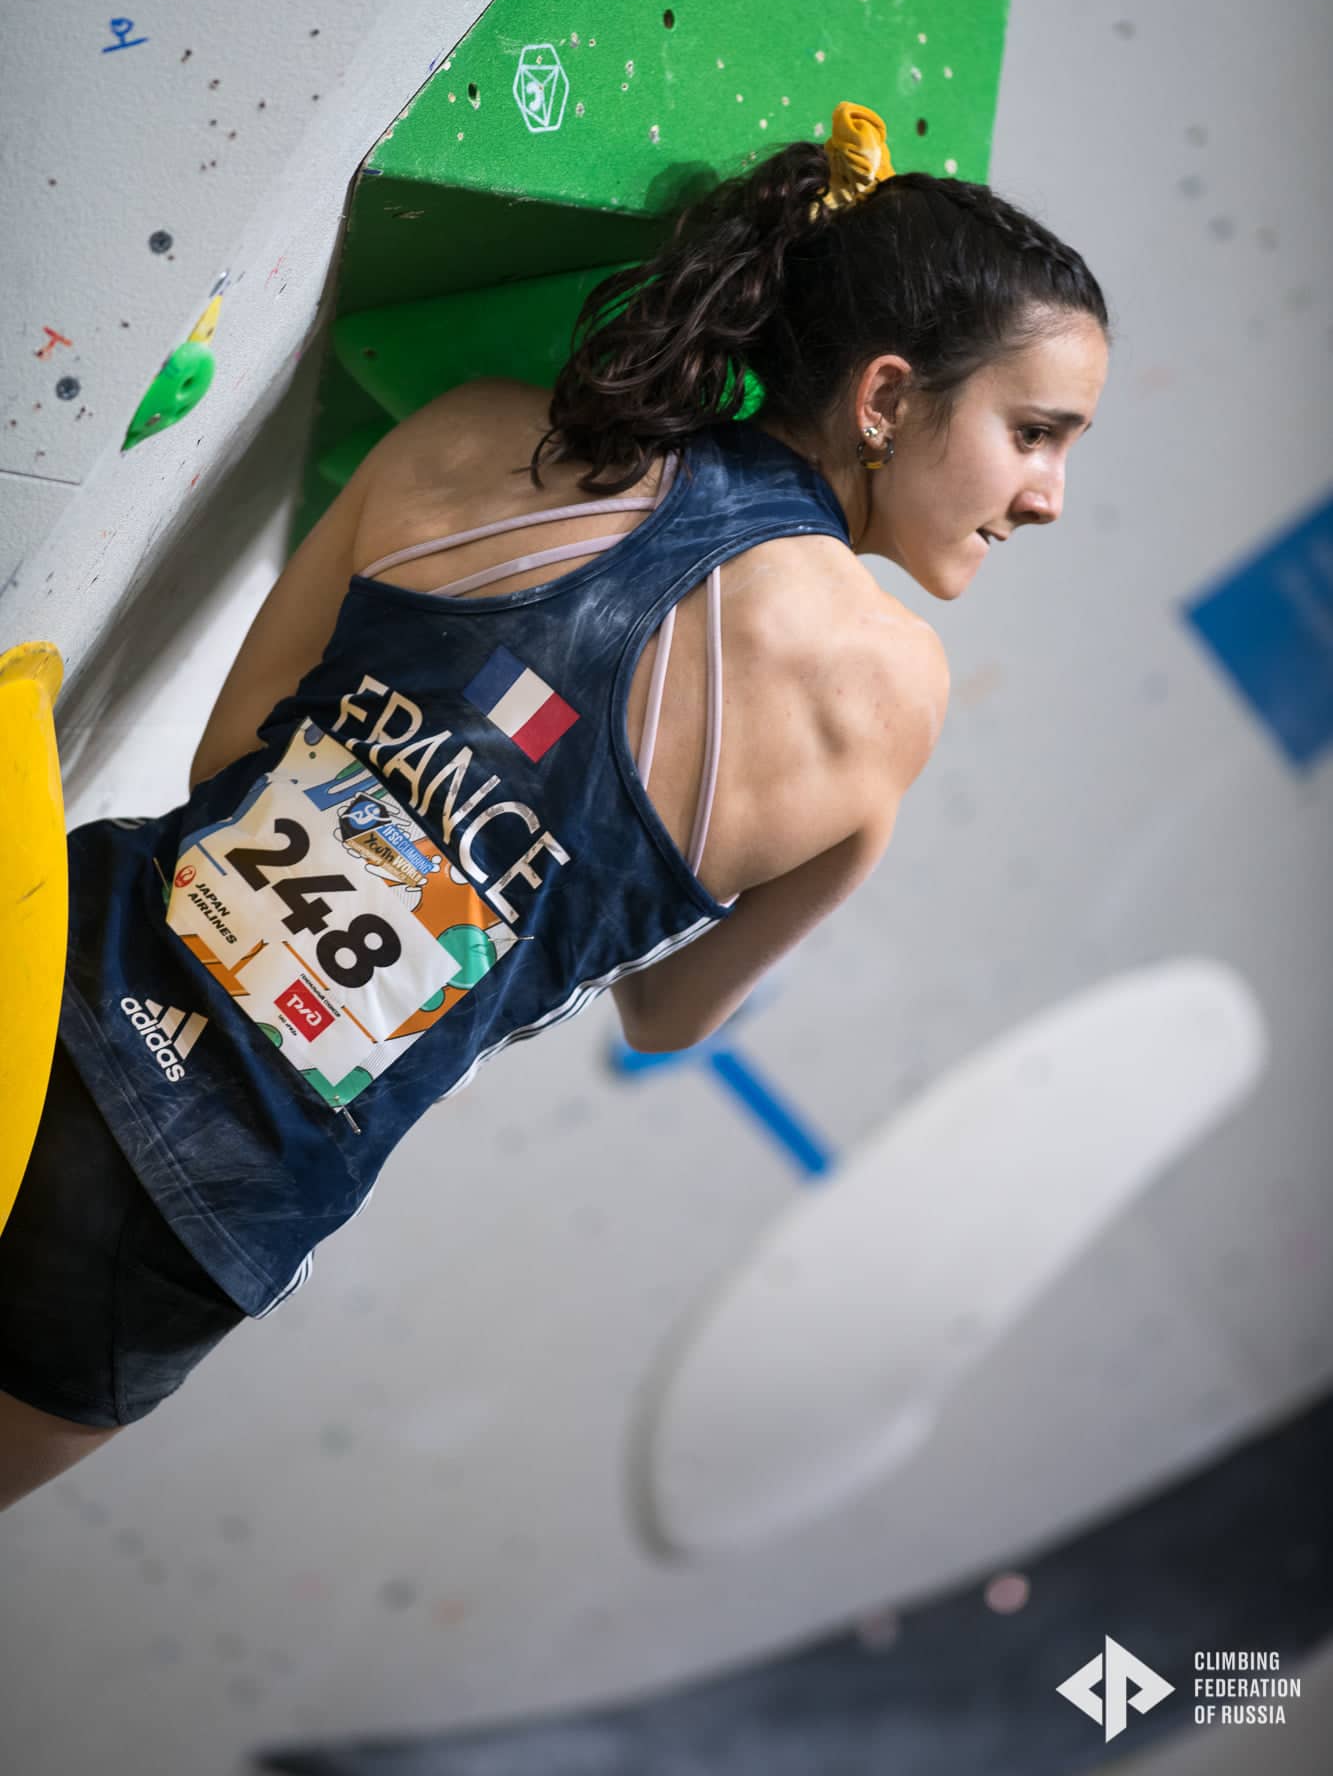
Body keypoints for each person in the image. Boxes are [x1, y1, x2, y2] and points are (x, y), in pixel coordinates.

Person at [0, 103, 1111, 1509]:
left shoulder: (471, 431)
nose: (1048, 495)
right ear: (886, 399)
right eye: (1033, 433)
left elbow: (234, 755)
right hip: (196, 1208)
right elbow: (665, 1017)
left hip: (46, 974)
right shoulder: (885, 700)